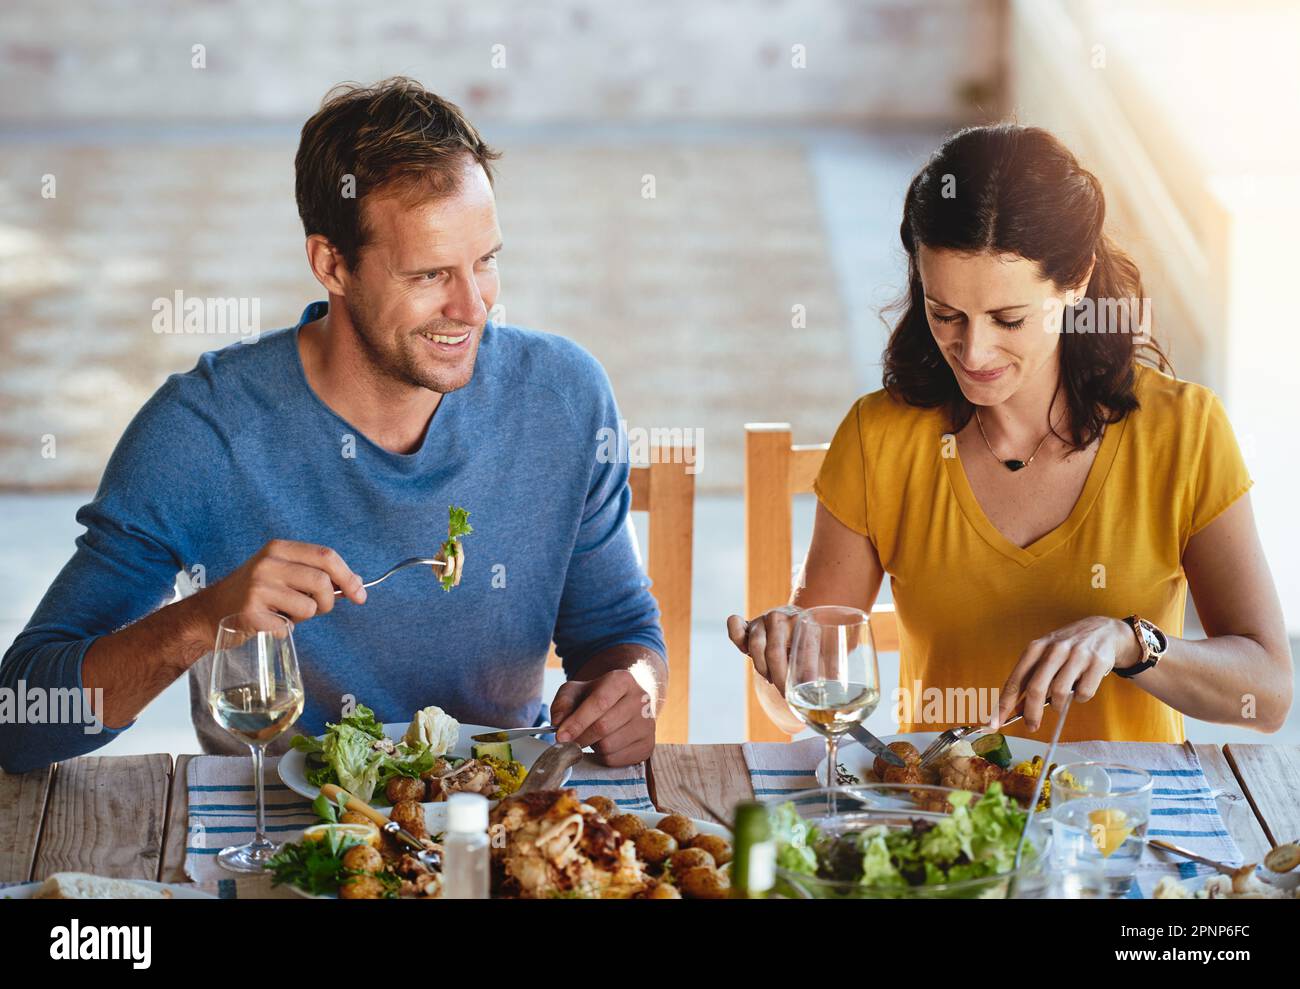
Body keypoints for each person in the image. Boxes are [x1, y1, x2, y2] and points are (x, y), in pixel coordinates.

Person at [0, 78, 666, 773]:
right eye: (430, 274)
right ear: (332, 264)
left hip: (499, 823)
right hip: (288, 841)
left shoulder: (562, 395)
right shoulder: (201, 432)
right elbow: (18, 719)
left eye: (486, 261)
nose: (473, 307)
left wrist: (635, 689)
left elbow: (620, 635)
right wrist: (203, 622)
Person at [729, 124, 1292, 743]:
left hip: (1125, 826)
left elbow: (1265, 696)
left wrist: (1135, 643)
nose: (972, 350)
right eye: (945, 314)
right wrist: (779, 666)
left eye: (1009, 318)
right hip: (948, 819)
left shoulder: (1184, 433)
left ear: (1076, 282)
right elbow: (795, 709)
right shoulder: (879, 439)